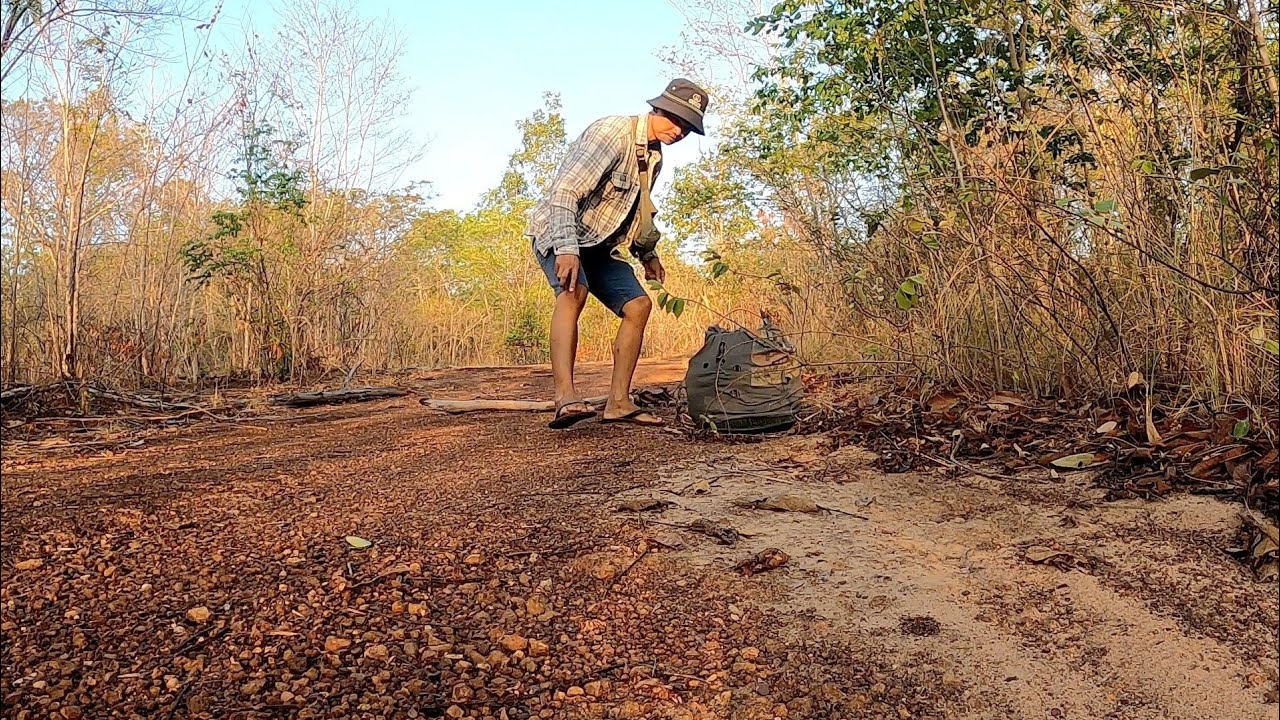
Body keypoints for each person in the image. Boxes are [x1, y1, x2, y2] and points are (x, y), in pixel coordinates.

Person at [526, 78, 709, 429]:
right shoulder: (611, 133)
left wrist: (647, 254)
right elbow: (564, 192)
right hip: (559, 231)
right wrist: (566, 249)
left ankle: (619, 402)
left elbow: (639, 211)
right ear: (658, 109)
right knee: (572, 291)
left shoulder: (653, 157)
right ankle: (565, 398)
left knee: (639, 306)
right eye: (676, 120)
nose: (680, 131)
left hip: (599, 244)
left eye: (688, 127)